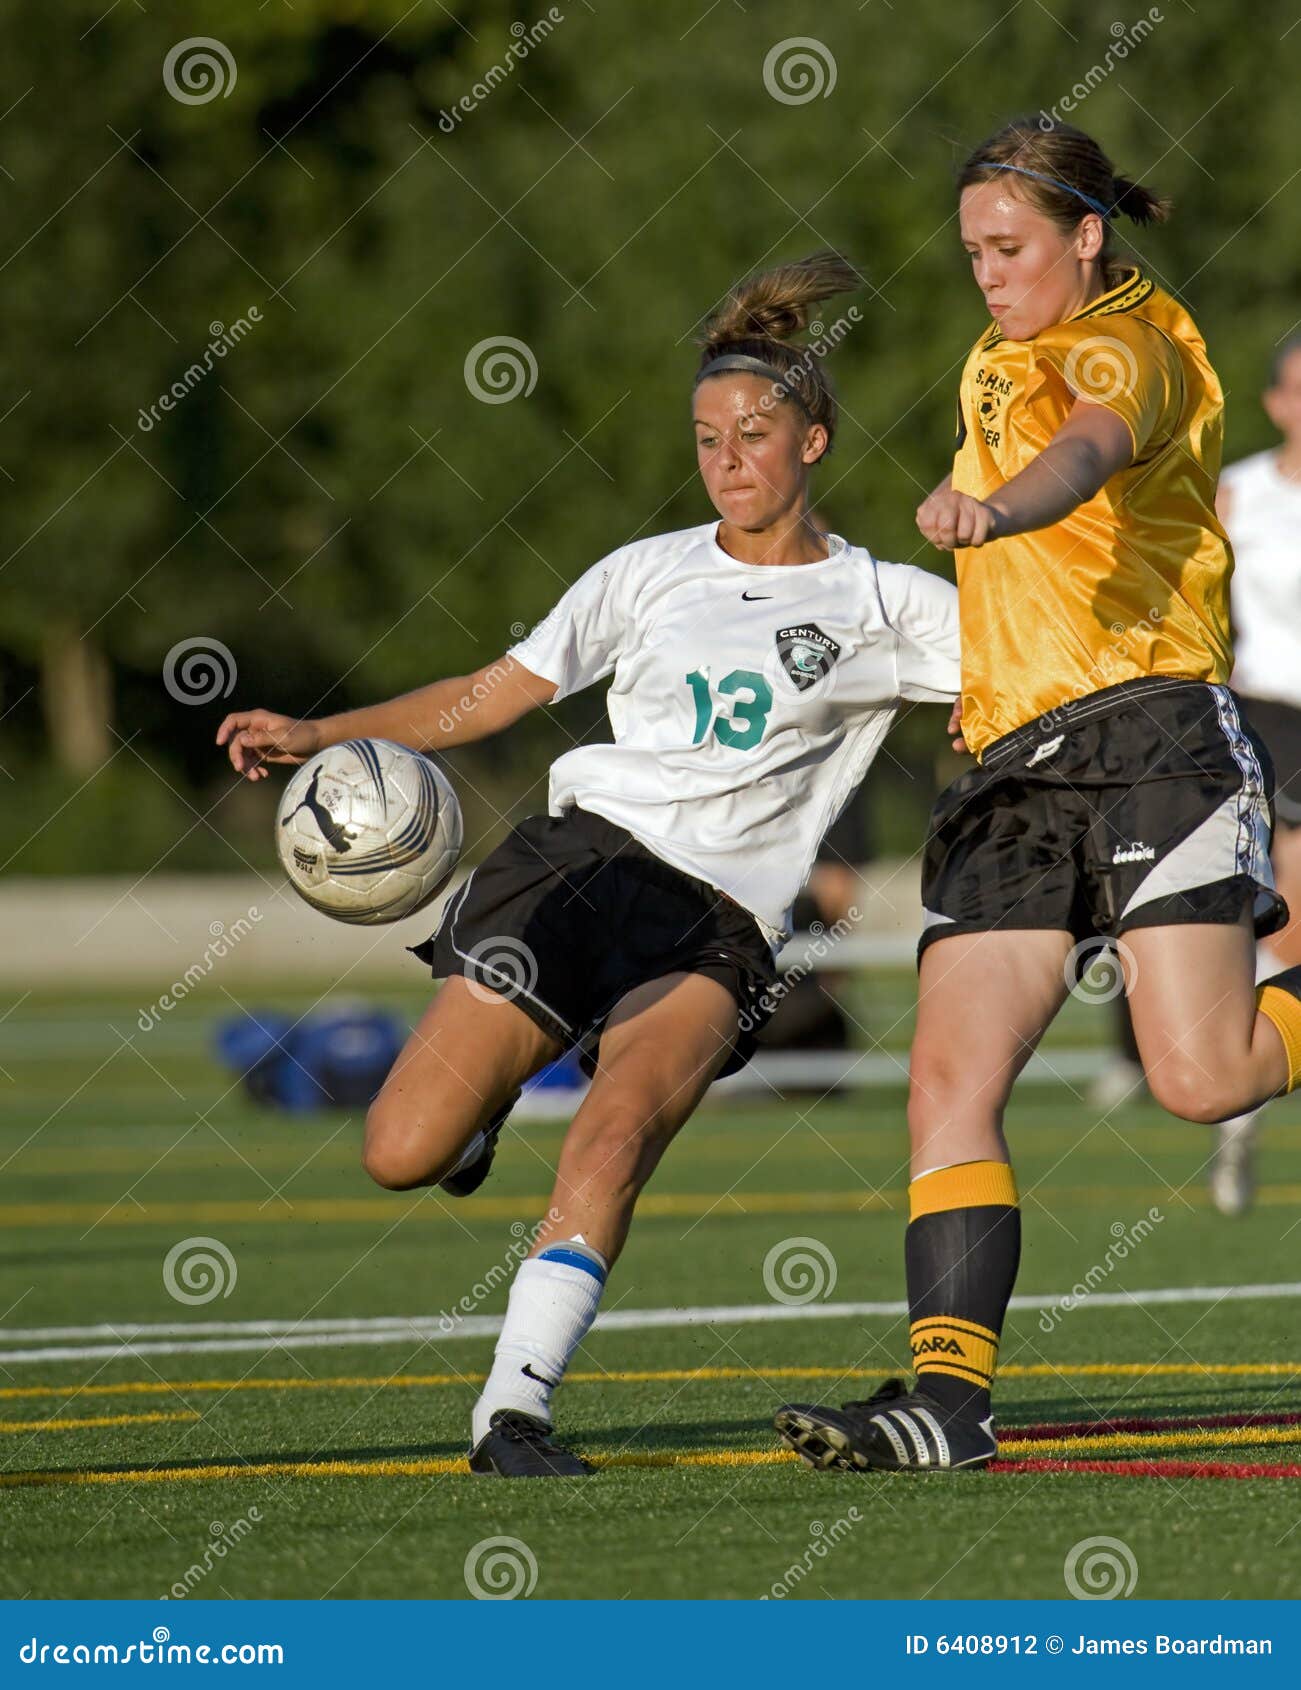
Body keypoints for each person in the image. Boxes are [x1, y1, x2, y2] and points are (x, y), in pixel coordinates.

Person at [217, 252, 960, 1477]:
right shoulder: (645, 571)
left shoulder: (885, 602)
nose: (727, 459)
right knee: (400, 1152)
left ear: (813, 440)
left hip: (720, 925)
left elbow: (1027, 666)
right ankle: (479, 1112)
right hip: (576, 866)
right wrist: (320, 732)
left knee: (612, 1134)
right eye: (707, 438)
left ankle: (510, 1415)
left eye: (754, 434)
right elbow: (486, 696)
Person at [775, 118, 1301, 1476]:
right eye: (971, 253)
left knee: (1202, 1078)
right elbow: (1014, 538)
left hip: (1150, 735)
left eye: (1009, 247)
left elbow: (1087, 449)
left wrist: (996, 508)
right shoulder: (992, 357)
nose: (988, 274)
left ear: (1084, 235)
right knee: (946, 1078)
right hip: (1011, 764)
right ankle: (951, 1406)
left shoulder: (1134, 342)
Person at [1207, 336, 1301, 1212]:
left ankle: (1244, 1089)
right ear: (1273, 403)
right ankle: (1240, 1100)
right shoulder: (1236, 493)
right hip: (1272, 716)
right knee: (1294, 918)